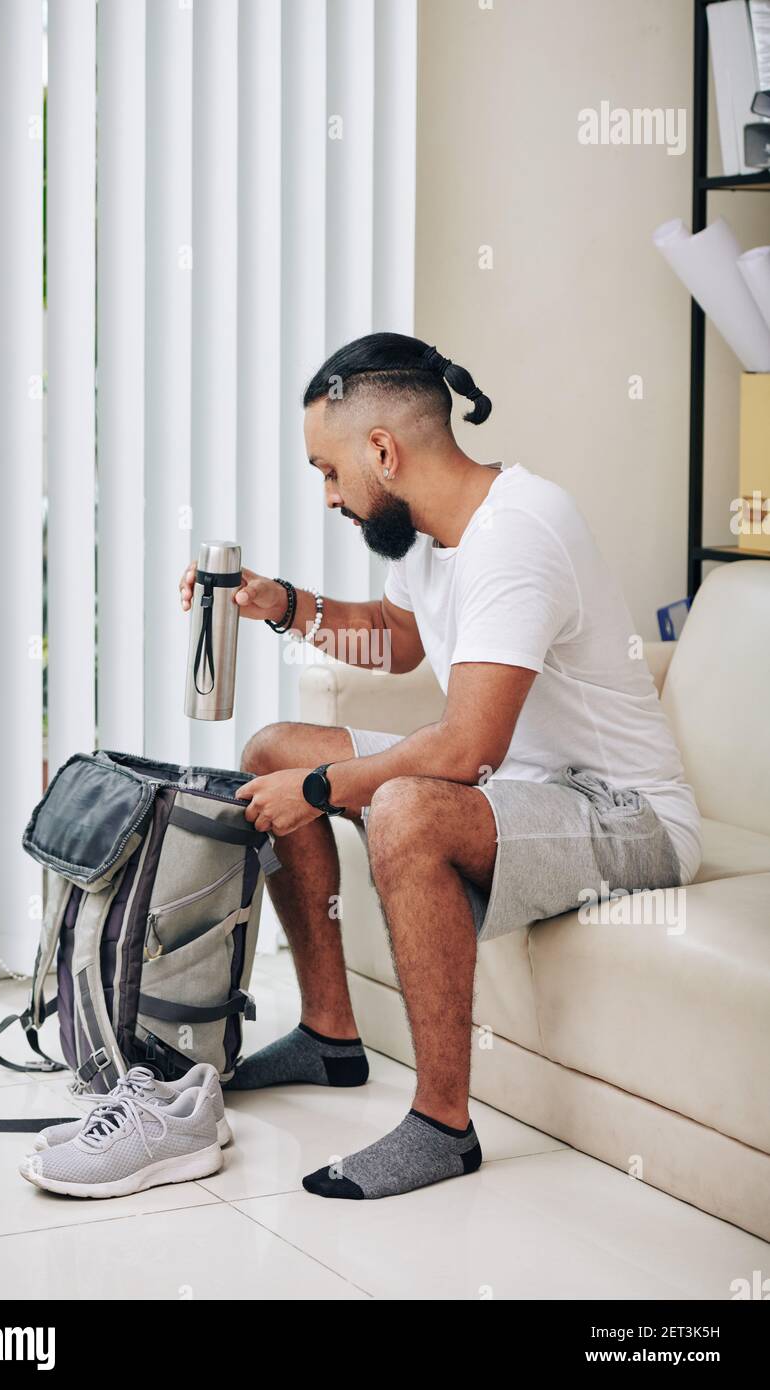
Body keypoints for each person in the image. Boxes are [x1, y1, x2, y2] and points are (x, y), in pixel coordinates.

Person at [178, 332, 701, 1202]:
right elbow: (396, 641)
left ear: (383, 450)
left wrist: (320, 792)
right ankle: (330, 1035)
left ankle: (441, 1127)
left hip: (625, 811)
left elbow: (465, 750)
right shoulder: (429, 532)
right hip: (519, 789)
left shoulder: (520, 530)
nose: (330, 495)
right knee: (275, 745)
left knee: (408, 808)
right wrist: (284, 607)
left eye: (330, 470)